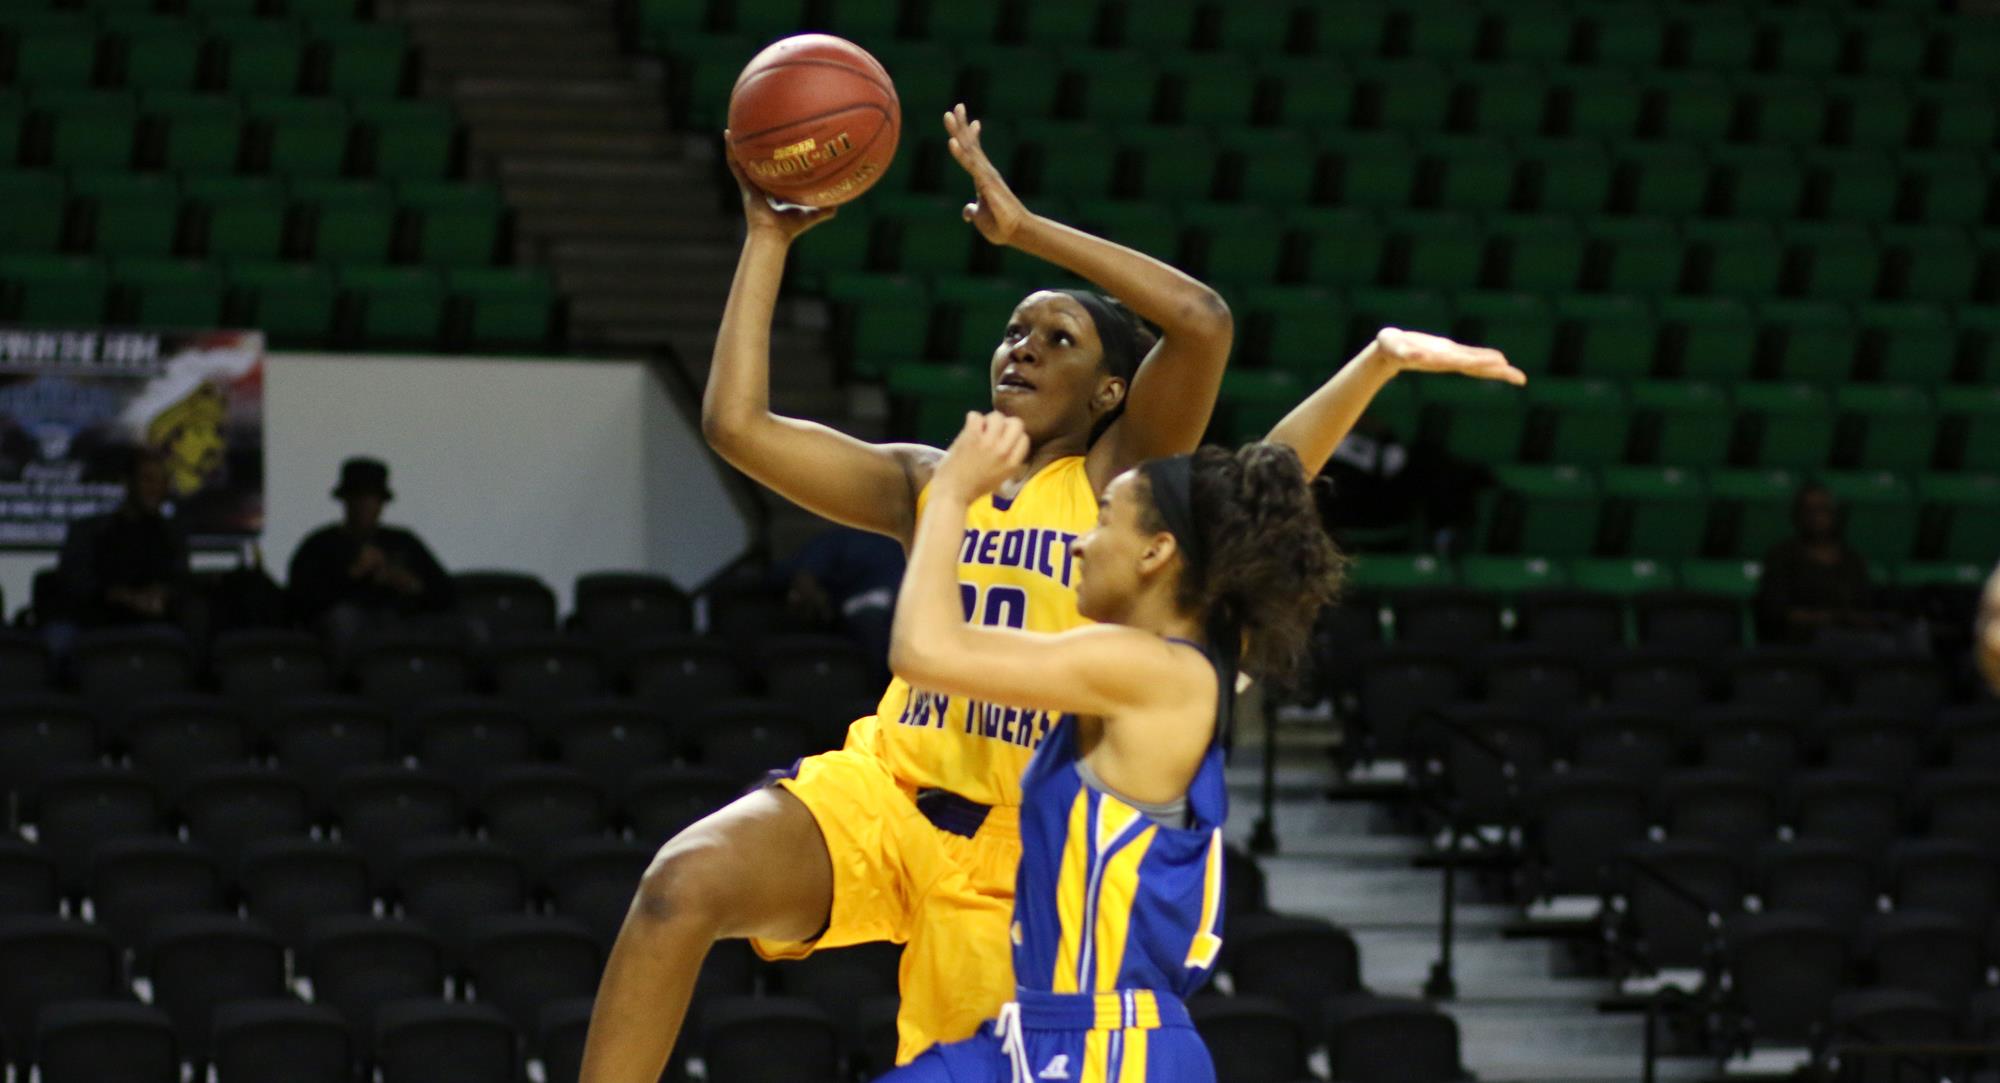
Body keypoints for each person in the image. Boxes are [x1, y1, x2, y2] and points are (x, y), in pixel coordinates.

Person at [579, 95, 1517, 1081]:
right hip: (888, 789)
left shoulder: (1129, 485)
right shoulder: (930, 476)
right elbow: (735, 428)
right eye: (1013, 333)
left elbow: (1200, 326)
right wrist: (767, 235)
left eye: (1056, 338)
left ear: (1112, 392)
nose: (1020, 346)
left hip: (1023, 862)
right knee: (679, 888)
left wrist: (1027, 234)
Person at [879, 325, 1518, 1083]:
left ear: (1155, 551)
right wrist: (1377, 361)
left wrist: (951, 489)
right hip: (1045, 1034)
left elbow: (926, 652)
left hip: (1109, 1049)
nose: (1079, 543)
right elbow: (1274, 478)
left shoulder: (1145, 671)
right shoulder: (1200, 658)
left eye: (1104, 519)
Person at [286, 456, 452, 643]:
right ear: (346, 500)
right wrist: (353, 573)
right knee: (343, 620)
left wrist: (409, 583)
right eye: (359, 497)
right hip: (349, 637)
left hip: (402, 626)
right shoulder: (319, 546)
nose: (365, 505)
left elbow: (447, 594)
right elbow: (300, 602)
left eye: (372, 498)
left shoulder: (403, 542)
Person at [55, 446, 190, 629]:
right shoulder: (89, 532)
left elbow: (180, 579)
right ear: (128, 483)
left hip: (159, 622)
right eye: (148, 480)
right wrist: (120, 596)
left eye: (163, 481)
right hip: (94, 621)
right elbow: (74, 582)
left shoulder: (172, 534)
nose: (157, 488)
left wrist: (163, 594)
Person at [1756, 482, 1889, 645]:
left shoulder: (1852, 559)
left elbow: (1864, 607)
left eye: (1823, 509)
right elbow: (1776, 613)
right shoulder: (1782, 556)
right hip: (1803, 640)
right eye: (1809, 510)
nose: (1817, 517)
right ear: (1797, 515)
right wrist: (1829, 618)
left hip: (1853, 635)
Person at [777, 524, 907, 672]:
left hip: (912, 604)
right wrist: (818, 601)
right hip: (865, 607)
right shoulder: (841, 539)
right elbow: (803, 577)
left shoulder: (913, 537)